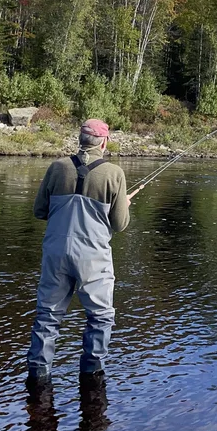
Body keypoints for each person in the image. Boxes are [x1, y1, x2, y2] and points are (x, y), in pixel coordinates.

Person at [26, 119, 130, 387]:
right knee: (100, 316)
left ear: (79, 139)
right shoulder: (114, 173)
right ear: (104, 143)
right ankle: (92, 378)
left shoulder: (57, 167)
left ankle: (38, 378)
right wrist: (123, 205)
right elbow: (119, 224)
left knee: (47, 316)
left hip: (55, 254)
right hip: (93, 258)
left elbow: (39, 211)